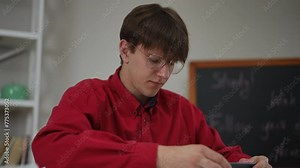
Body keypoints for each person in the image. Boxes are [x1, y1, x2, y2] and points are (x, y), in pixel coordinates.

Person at [32, 3, 272, 168]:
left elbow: (220, 155)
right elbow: (49, 148)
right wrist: (160, 157)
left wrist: (248, 162)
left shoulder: (183, 111)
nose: (164, 74)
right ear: (125, 50)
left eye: (171, 63)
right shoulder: (87, 95)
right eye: (155, 61)